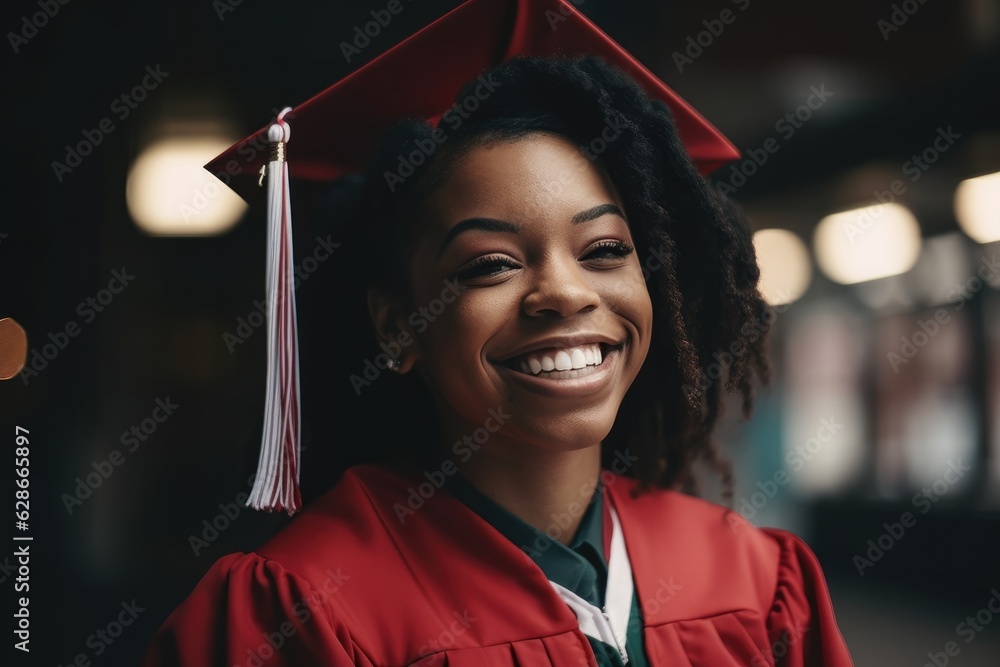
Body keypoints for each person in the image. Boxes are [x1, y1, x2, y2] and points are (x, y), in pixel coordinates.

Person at [142, 2, 853, 665]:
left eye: (604, 249)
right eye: (490, 264)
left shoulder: (753, 580)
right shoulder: (304, 609)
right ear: (398, 325)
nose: (564, 293)